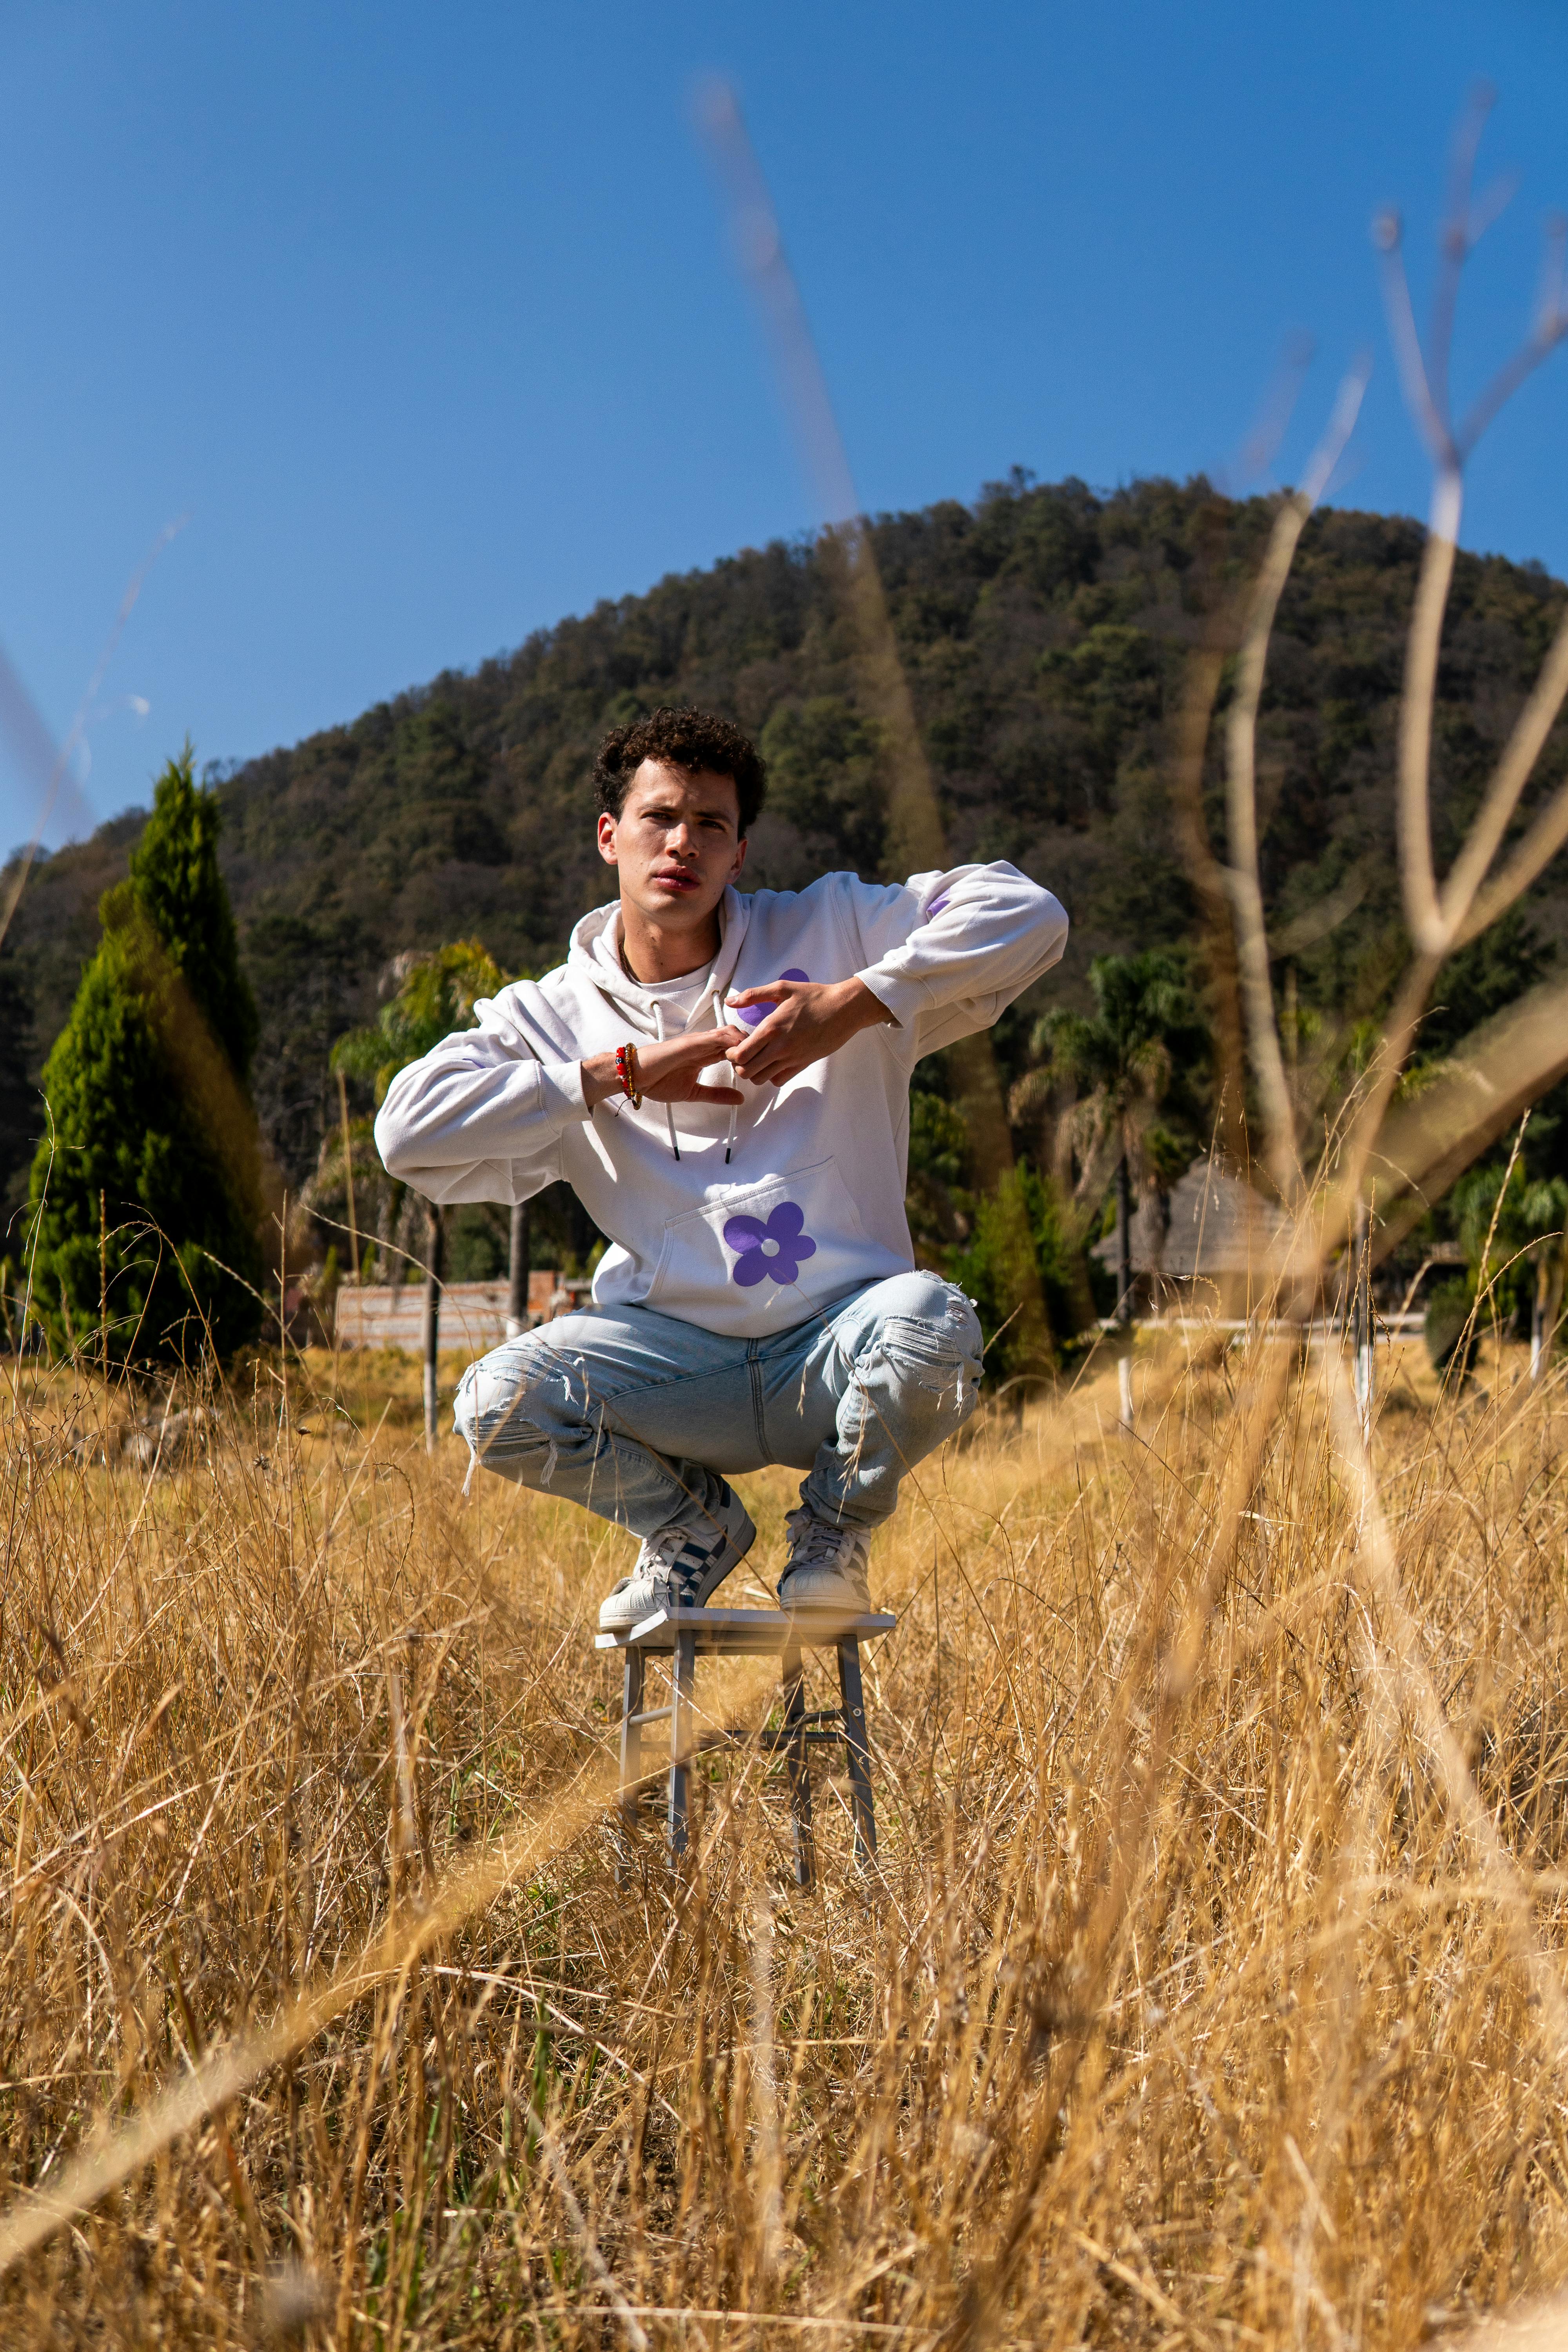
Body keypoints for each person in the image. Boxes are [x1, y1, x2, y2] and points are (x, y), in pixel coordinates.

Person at [375, 705, 1067, 1626]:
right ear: (608, 836)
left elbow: (1029, 913)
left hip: (834, 1344)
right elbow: (405, 1132)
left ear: (739, 854)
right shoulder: (549, 1013)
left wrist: (852, 1005)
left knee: (933, 1328)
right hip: (675, 1366)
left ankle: (831, 1530)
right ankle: (690, 1527)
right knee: (498, 1403)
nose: (683, 844)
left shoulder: (828, 929)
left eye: (711, 825)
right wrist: (616, 1075)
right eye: (660, 817)